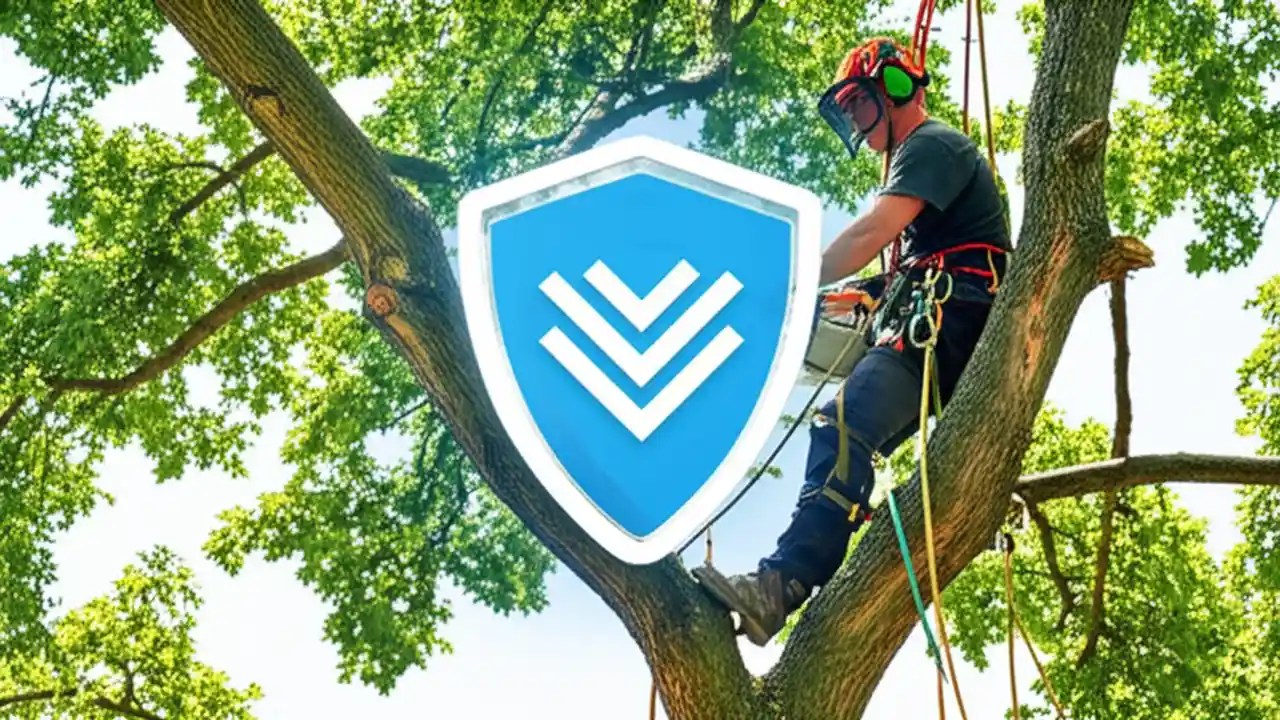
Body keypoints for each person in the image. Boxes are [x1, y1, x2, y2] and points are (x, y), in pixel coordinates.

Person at [691, 37, 1013, 646]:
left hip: (951, 320)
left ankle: (783, 583)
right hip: (937, 315)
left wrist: (794, 277)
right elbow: (901, 262)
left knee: (841, 425)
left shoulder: (931, 144)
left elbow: (874, 230)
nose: (860, 129)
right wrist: (853, 294)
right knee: (843, 429)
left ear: (895, 91)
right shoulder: (923, 173)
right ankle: (798, 569)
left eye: (861, 108)